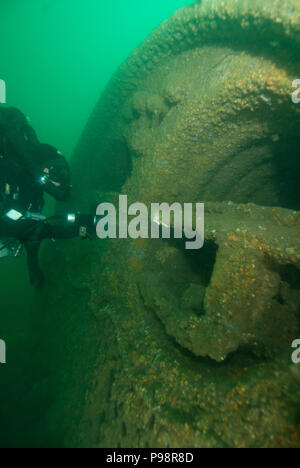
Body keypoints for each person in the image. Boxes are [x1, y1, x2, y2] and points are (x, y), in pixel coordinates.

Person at [0, 107, 96, 289]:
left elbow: (30, 228)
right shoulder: (13, 170)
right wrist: (81, 228)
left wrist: (33, 263)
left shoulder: (23, 174)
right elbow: (33, 229)